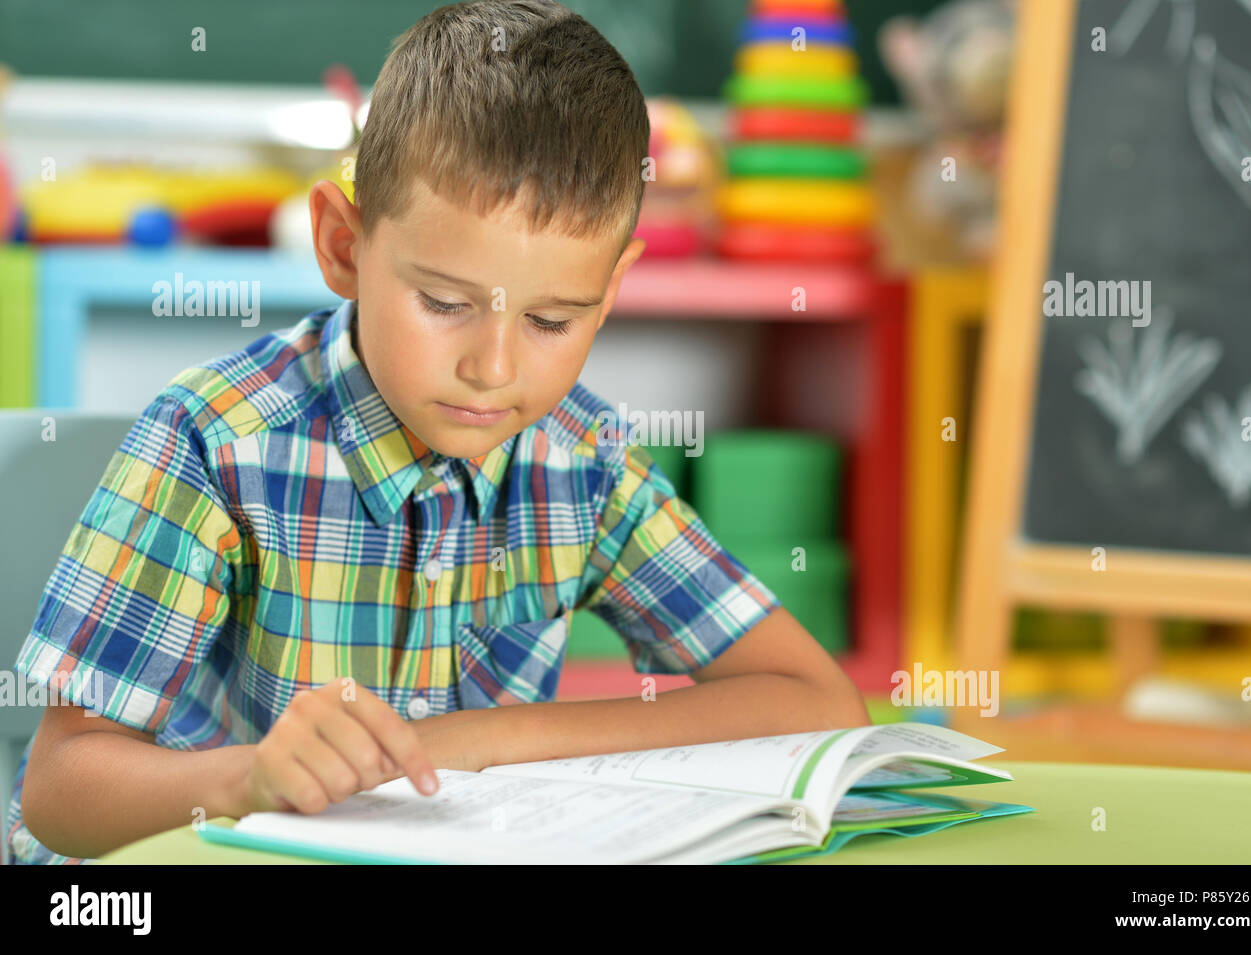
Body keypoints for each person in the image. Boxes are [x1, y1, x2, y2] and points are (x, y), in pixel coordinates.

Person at [7, 0, 867, 865]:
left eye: (553, 319)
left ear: (609, 292)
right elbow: (58, 792)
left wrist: (479, 741)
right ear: (344, 245)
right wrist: (251, 779)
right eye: (446, 304)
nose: (493, 368)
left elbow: (815, 700)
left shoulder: (585, 460)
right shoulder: (216, 442)